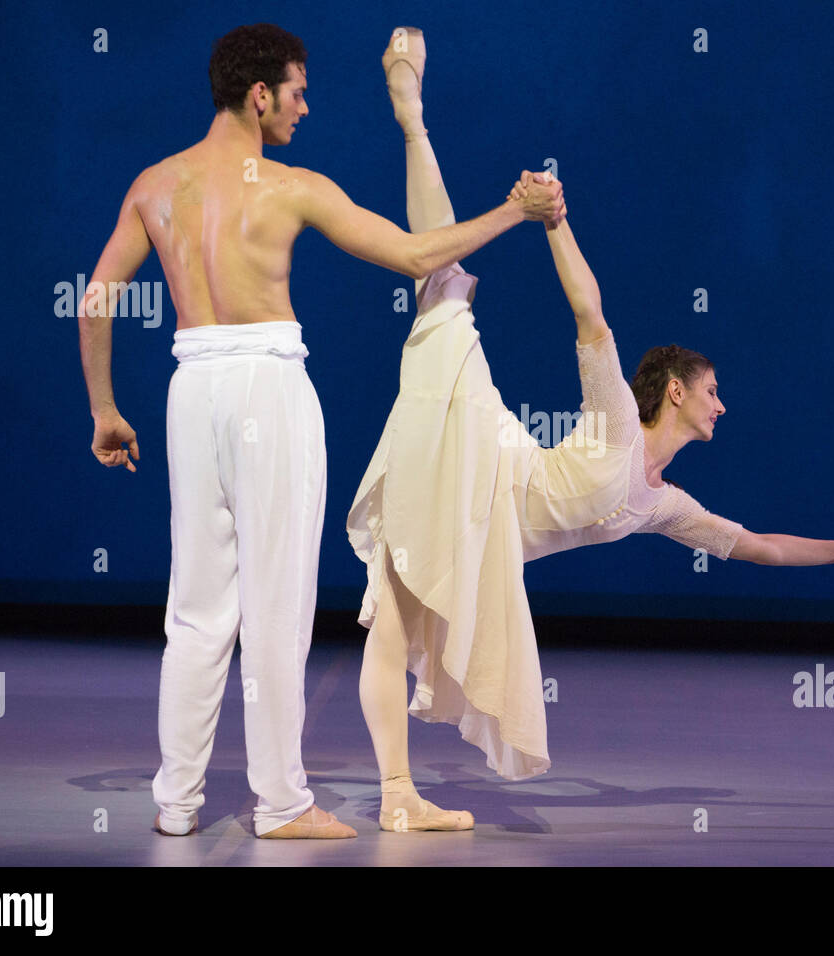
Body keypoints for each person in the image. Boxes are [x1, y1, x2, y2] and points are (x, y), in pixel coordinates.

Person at [348, 29, 834, 832]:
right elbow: (590, 311)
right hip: (488, 459)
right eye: (713, 392)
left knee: (399, 605)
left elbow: (760, 545)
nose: (722, 407)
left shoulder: (664, 505)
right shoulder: (620, 415)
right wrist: (552, 220)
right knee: (441, 287)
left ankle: (396, 797)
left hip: (490, 540)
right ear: (679, 392)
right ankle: (412, 118)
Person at [77, 23, 564, 840]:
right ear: (259, 93)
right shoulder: (288, 186)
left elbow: (96, 297)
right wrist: (513, 211)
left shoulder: (155, 185)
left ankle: (177, 803)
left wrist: (103, 408)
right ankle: (281, 804)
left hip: (189, 387)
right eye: (297, 91)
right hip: (266, 385)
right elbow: (416, 256)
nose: (306, 106)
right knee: (277, 603)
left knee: (195, 611)